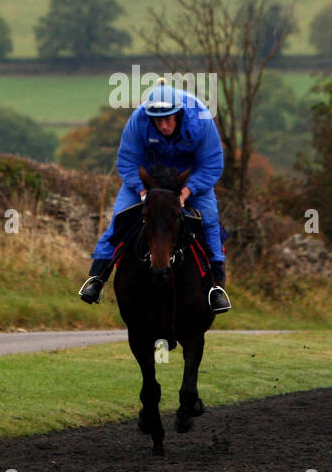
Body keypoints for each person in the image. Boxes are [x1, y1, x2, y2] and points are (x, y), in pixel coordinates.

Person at [78, 80, 230, 314]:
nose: (163, 126)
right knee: (120, 218)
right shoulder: (138, 121)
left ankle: (215, 286)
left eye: (168, 119)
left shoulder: (201, 118)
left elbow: (211, 164)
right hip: (148, 180)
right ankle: (97, 277)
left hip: (190, 180)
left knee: (208, 220)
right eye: (157, 120)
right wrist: (141, 190)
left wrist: (187, 191)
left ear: (179, 114)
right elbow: (128, 161)